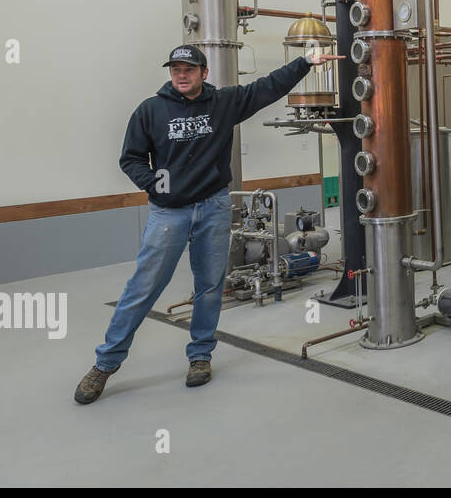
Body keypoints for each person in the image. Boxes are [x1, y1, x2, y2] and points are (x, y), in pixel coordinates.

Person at [74, 44, 340, 404]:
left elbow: (268, 87)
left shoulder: (224, 103)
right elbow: (131, 158)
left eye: (188, 69)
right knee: (143, 288)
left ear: (204, 72)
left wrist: (305, 62)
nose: (181, 75)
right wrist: (155, 184)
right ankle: (105, 364)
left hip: (214, 206)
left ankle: (200, 355)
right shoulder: (150, 110)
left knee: (210, 286)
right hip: (169, 213)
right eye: (175, 69)